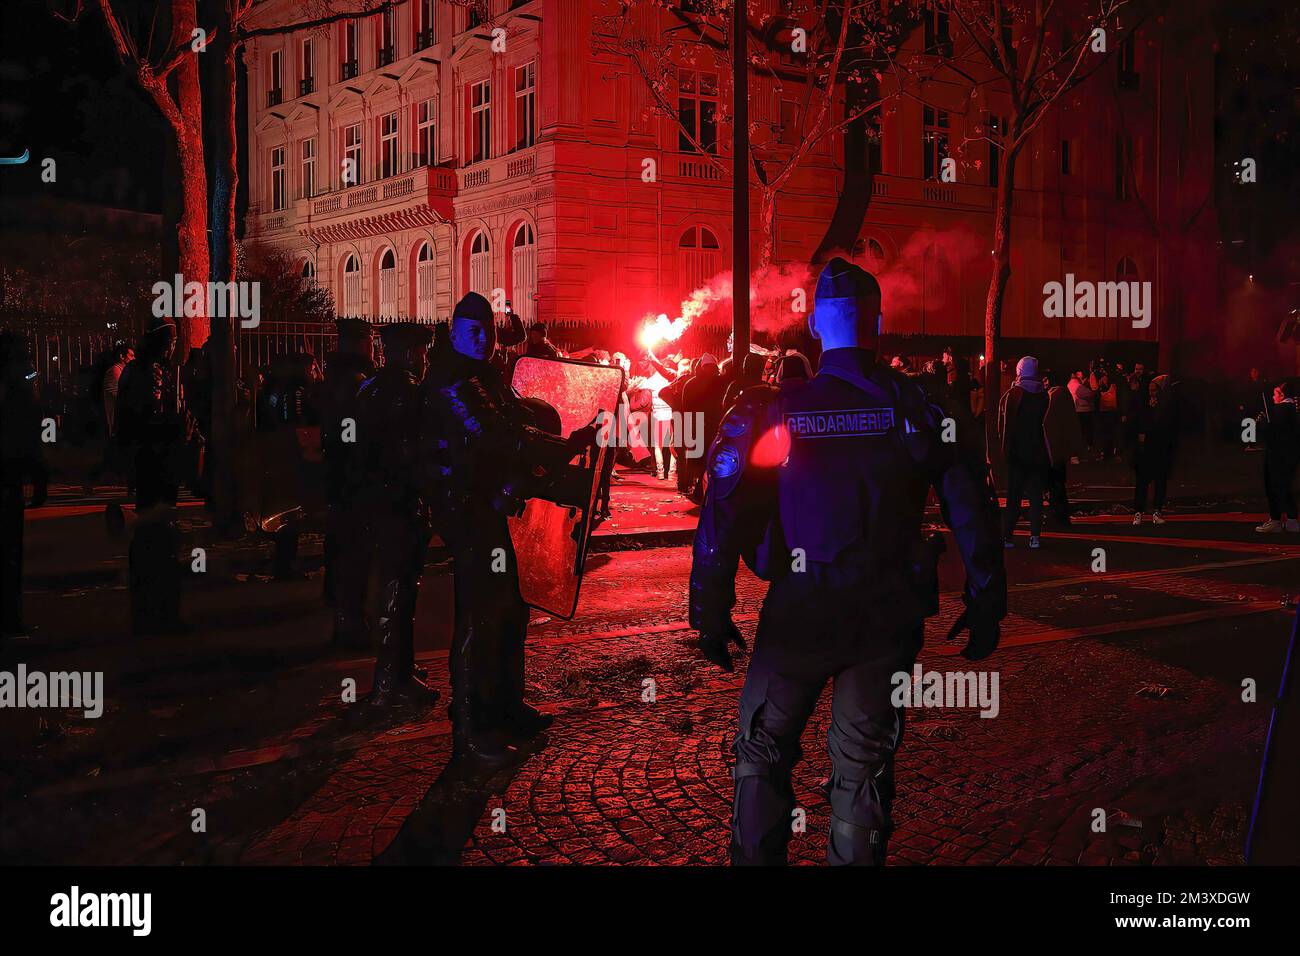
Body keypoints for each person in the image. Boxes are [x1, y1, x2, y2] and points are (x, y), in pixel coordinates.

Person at [690, 258, 1006, 866]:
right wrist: (985, 599)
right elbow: (971, 505)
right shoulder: (917, 407)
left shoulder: (773, 410)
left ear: (814, 329)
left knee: (762, 752)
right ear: (879, 325)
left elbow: (722, 512)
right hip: (883, 619)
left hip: (799, 614)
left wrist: (710, 608)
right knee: (861, 766)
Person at [426, 292, 597, 765]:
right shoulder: (449, 381)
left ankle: (504, 707)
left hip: (493, 510)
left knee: (509, 610)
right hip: (467, 513)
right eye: (474, 331)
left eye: (489, 331)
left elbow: (515, 424)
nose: (483, 339)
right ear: (456, 331)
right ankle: (470, 729)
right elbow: (500, 436)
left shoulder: (484, 377)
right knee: (479, 619)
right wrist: (562, 447)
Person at [352, 323, 439, 707]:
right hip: (397, 501)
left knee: (395, 585)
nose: (425, 361)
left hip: (375, 500)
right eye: (422, 354)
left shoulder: (369, 387)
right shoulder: (405, 392)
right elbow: (413, 451)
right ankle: (391, 680)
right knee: (398, 589)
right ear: (408, 354)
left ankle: (399, 668)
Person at [115, 318, 185, 634]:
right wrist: (178, 427)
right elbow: (149, 419)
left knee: (149, 534)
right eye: (171, 341)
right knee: (157, 533)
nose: (174, 347)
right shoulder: (149, 372)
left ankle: (148, 608)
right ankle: (159, 611)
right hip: (154, 462)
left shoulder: (135, 370)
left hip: (144, 461)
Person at [321, 318, 375, 645]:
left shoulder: (335, 378)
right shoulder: (355, 382)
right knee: (355, 553)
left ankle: (345, 614)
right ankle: (350, 624)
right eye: (369, 340)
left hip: (340, 474)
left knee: (342, 545)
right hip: (353, 477)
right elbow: (353, 433)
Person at [1, 333, 48, 643]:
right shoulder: (19, 390)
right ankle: (9, 619)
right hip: (9, 477)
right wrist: (39, 476)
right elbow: (28, 436)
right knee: (9, 551)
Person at [998, 356, 1051, 549]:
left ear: (1020, 370)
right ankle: (1035, 536)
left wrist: (1004, 452)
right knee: (1036, 496)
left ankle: (1008, 536)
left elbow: (1006, 427)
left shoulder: (1014, 394)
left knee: (1014, 496)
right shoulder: (1044, 394)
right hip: (1038, 452)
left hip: (1018, 453)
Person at [1130, 374, 1179, 525]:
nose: (1152, 393)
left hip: (1161, 446)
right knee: (1143, 480)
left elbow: (1169, 425)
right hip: (1147, 448)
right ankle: (1139, 511)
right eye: (1150, 390)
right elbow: (1139, 422)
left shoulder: (1167, 405)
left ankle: (1156, 510)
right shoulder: (1145, 404)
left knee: (1159, 480)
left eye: (1154, 390)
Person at [680, 353, 725, 502]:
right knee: (708, 459)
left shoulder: (691, 384)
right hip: (711, 425)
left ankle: (695, 488)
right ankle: (700, 489)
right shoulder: (721, 382)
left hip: (698, 425)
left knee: (697, 460)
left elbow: (685, 407)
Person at [1256, 379, 1299, 533]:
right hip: (1289, 455)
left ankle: (1275, 520)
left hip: (1278, 455)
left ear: (1281, 395)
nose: (1273, 397)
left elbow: (1272, 433)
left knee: (1274, 486)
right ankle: (1292, 520)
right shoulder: (1290, 409)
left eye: (1275, 393)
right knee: (1285, 486)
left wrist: (1262, 424)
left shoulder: (1281, 409)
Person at [1044, 377, 1086, 528]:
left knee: (1055, 484)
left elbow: (1051, 423)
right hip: (1059, 448)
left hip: (1053, 448)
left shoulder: (1055, 396)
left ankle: (1058, 517)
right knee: (1058, 483)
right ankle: (1060, 517)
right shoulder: (1062, 394)